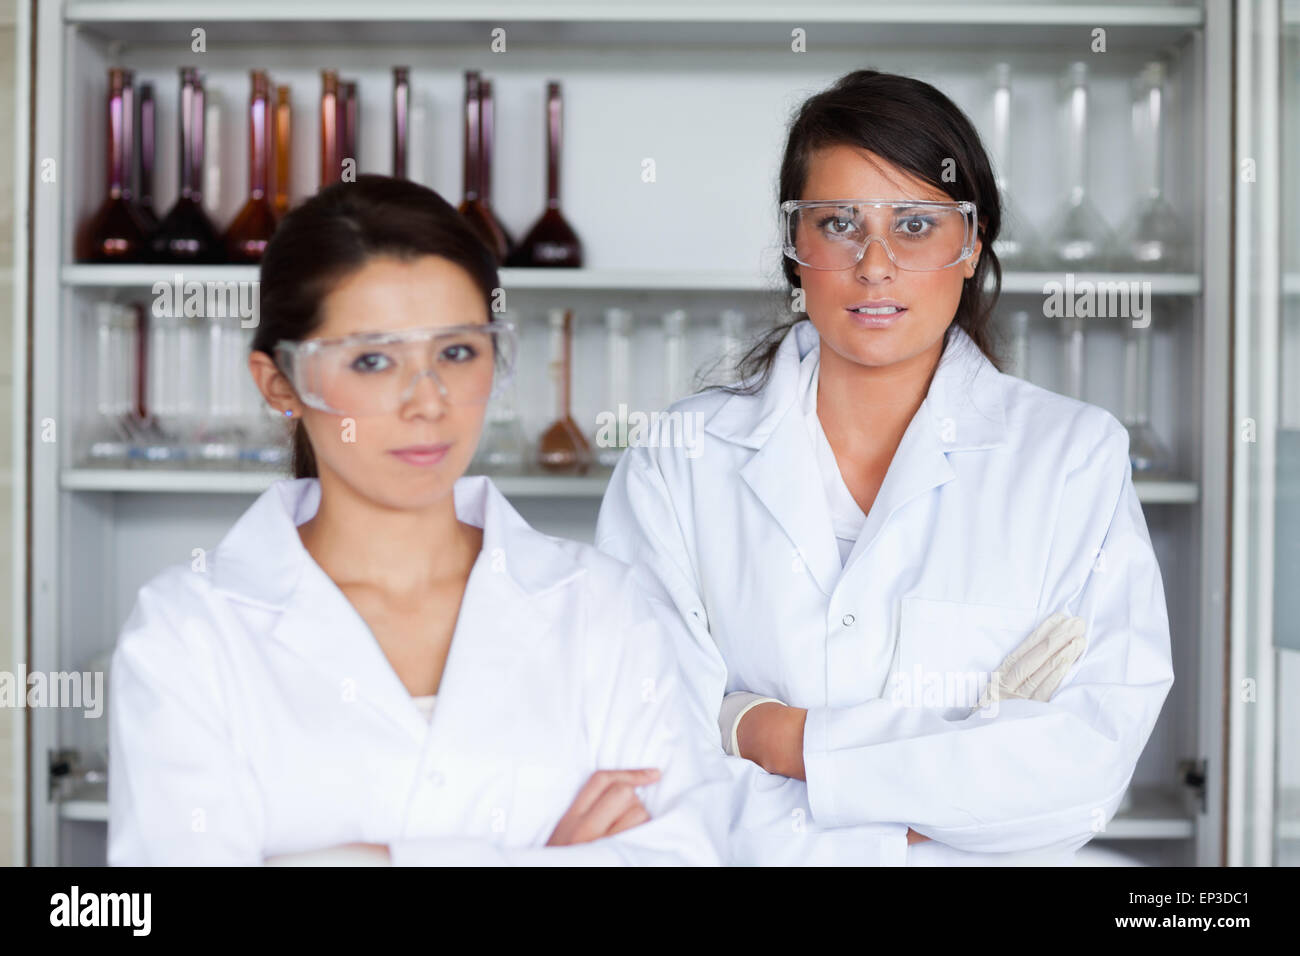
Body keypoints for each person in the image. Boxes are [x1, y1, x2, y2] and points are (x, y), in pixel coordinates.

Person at [594, 69, 1174, 865]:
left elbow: (1078, 770)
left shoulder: (1072, 460)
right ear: (796, 248)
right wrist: (925, 790)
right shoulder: (680, 459)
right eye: (837, 223)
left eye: (913, 225)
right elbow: (646, 755)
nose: (873, 265)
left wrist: (773, 733)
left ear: (970, 246)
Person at [108, 175, 729, 866]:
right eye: (373, 360)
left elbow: (684, 854)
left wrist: (365, 857)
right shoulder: (187, 633)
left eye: (457, 352)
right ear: (280, 384)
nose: (427, 401)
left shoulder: (598, 606)